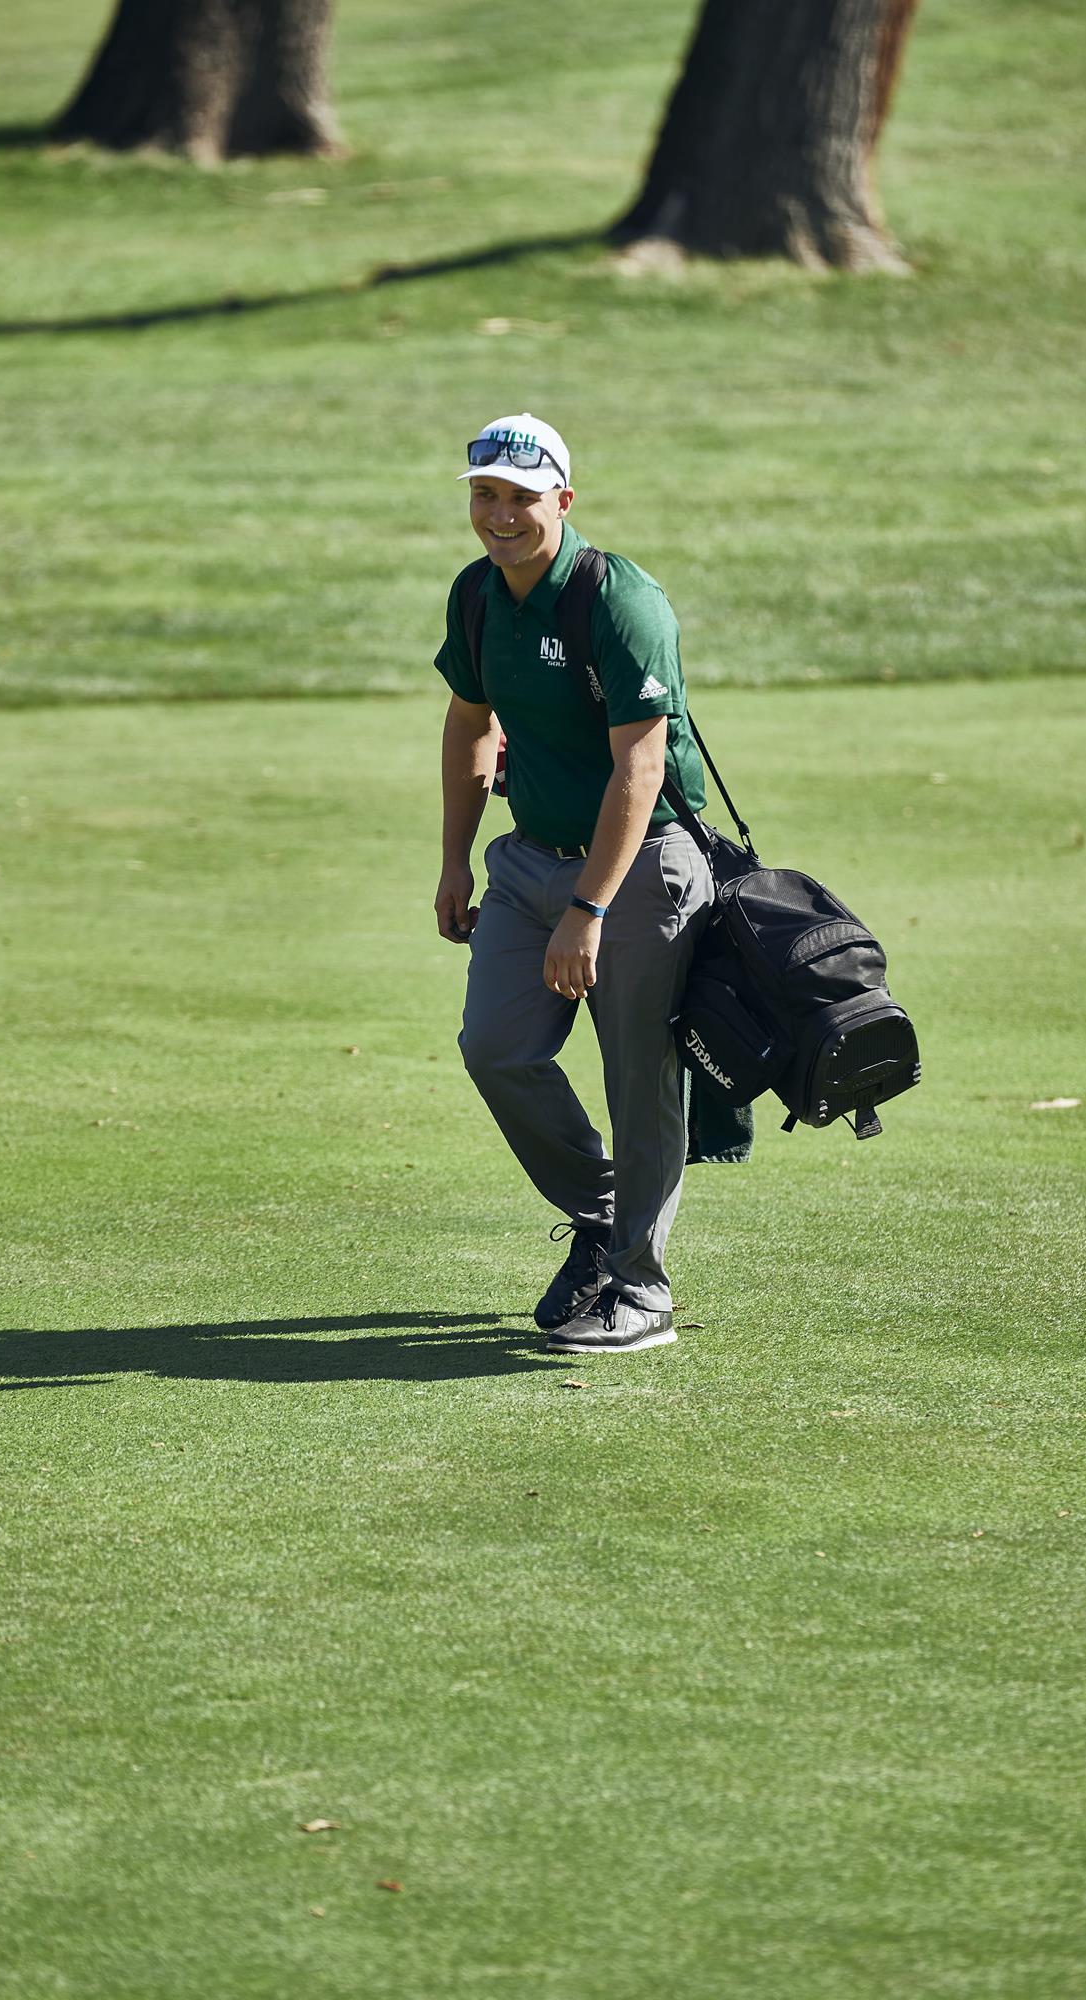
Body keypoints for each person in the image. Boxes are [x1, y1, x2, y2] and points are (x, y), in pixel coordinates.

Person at [432, 412, 714, 1356]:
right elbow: (470, 722)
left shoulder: (618, 599)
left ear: (563, 497)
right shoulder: (477, 596)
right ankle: (603, 1218)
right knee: (496, 1047)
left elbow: (639, 771)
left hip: (639, 867)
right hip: (526, 859)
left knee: (638, 1076)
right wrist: (454, 860)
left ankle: (642, 1291)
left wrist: (590, 907)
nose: (500, 514)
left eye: (520, 496)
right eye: (484, 494)